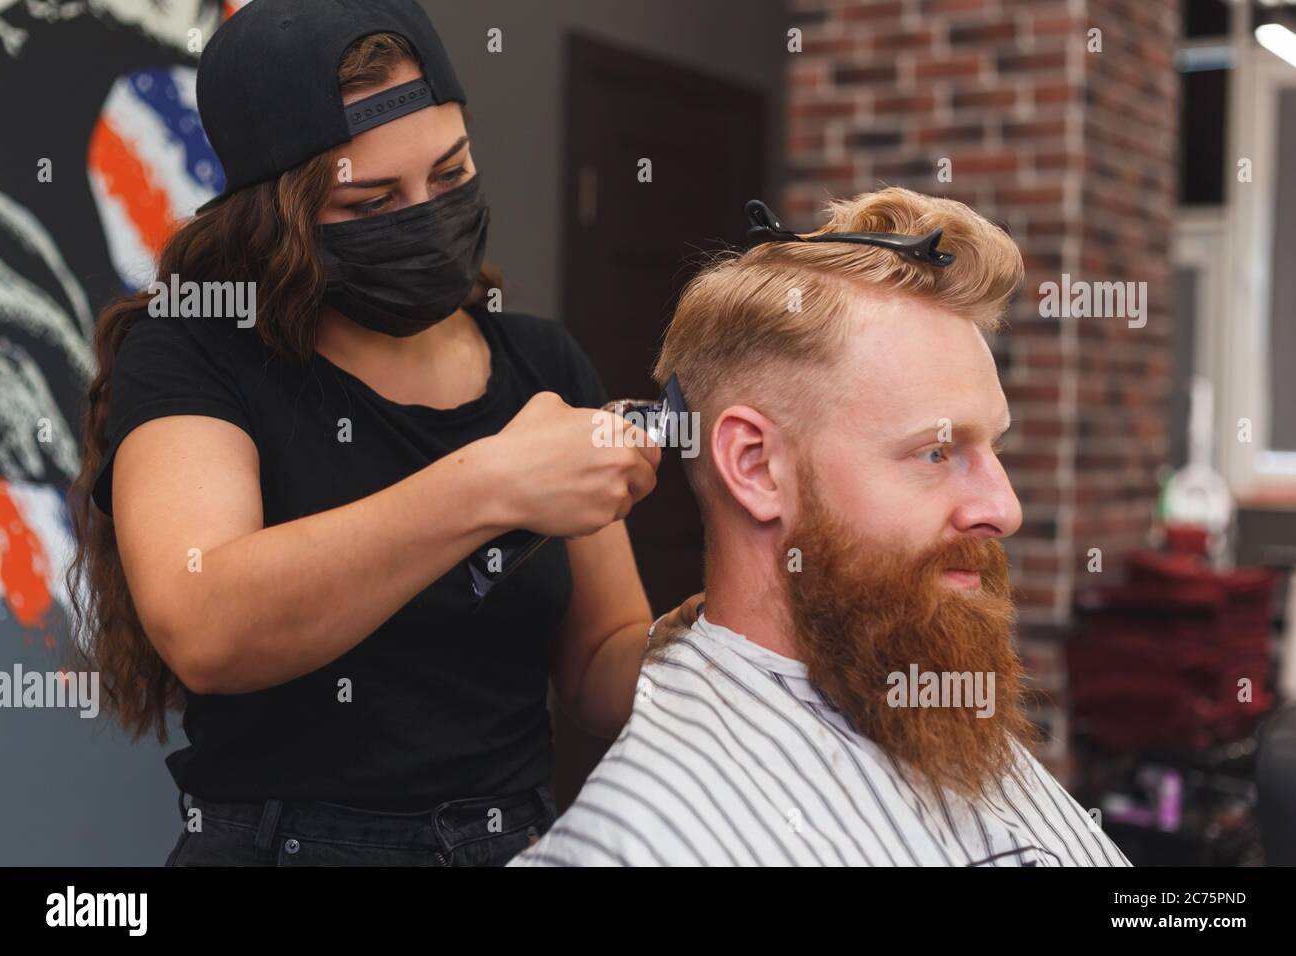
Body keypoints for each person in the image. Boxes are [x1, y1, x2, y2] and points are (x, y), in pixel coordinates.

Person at [67, 0, 696, 867]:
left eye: (451, 172)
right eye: (370, 203)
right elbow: (205, 623)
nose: (428, 216)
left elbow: (598, 669)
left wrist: (724, 634)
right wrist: (490, 486)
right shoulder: (194, 351)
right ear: (275, 210)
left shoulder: (542, 361)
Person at [511, 187, 1132, 867]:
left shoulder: (925, 706)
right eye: (935, 452)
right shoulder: (651, 839)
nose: (1004, 508)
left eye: (995, 449)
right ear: (755, 467)